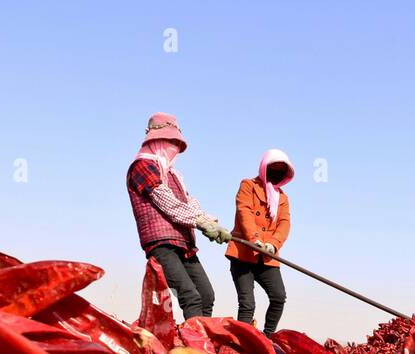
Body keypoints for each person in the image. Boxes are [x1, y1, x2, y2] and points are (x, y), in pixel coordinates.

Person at [126, 112, 230, 319]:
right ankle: (196, 347)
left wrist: (209, 220)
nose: (172, 147)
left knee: (206, 295)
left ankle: (202, 340)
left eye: (174, 142)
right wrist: (199, 221)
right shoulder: (142, 166)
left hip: (183, 241)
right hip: (161, 243)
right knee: (190, 296)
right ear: (156, 141)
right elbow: (166, 201)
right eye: (168, 141)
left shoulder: (174, 174)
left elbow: (188, 202)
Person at [226, 149, 294, 334]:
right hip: (243, 252)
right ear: (264, 167)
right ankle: (243, 342)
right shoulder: (248, 186)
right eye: (273, 167)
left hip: (267, 256)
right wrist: (254, 239)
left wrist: (273, 243)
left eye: (281, 169)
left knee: (278, 296)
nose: (276, 172)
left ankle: (267, 337)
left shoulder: (283, 198)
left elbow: (284, 223)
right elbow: (244, 212)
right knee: (248, 303)